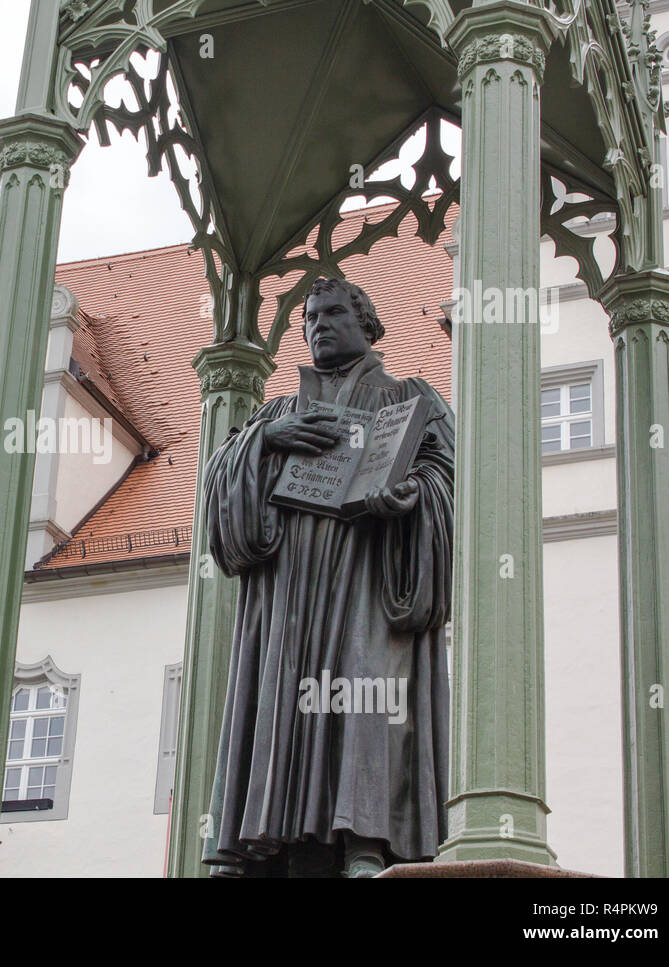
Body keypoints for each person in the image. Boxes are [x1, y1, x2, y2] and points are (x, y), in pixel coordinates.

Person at [201, 277, 454, 877]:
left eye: (334, 312)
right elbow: (217, 491)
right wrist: (262, 441)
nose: (318, 324)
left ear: (367, 325)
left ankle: (367, 840)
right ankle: (262, 841)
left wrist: (413, 494)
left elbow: (451, 479)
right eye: (310, 316)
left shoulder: (410, 399)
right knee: (278, 699)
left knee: (368, 692)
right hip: (287, 587)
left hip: (366, 572)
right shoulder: (278, 413)